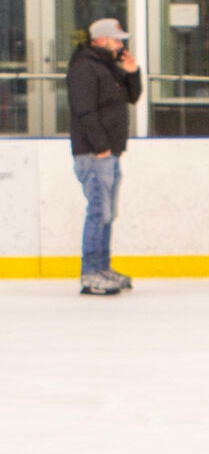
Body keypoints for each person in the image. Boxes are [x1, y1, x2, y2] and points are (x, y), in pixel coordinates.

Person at [68, 17, 142, 296]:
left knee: (108, 214)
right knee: (98, 212)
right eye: (116, 39)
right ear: (100, 40)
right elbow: (84, 110)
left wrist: (132, 72)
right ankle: (90, 274)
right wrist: (100, 148)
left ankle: (103, 267)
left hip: (109, 152)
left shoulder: (108, 67)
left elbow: (131, 98)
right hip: (94, 153)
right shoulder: (84, 67)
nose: (121, 44)